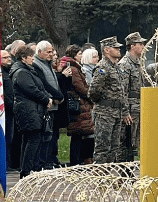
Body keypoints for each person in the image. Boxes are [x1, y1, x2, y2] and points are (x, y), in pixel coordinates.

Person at [10, 45, 53, 178]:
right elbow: (31, 89)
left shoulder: (27, 70)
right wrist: (46, 99)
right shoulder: (21, 72)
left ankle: (27, 169)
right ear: (23, 58)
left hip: (31, 109)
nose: (33, 59)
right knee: (33, 139)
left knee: (29, 139)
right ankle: (27, 170)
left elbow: (39, 86)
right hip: (28, 110)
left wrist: (47, 97)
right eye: (31, 57)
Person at [89, 37, 127, 166]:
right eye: (115, 48)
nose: (118, 49)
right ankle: (99, 179)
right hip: (105, 113)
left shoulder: (116, 67)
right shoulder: (102, 68)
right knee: (102, 148)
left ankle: (108, 177)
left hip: (116, 112)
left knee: (114, 148)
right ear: (106, 50)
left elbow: (122, 91)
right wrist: (103, 104)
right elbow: (93, 92)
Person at [33, 41, 65, 168]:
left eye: (52, 52)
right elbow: (43, 84)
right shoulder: (37, 65)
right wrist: (56, 96)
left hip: (53, 105)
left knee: (52, 135)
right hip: (46, 105)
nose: (51, 54)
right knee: (45, 135)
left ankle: (50, 160)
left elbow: (54, 83)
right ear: (40, 52)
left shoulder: (47, 64)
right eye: (48, 52)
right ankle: (43, 162)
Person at [62, 47, 94, 165]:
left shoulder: (76, 68)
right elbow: (79, 87)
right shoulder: (74, 69)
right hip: (79, 104)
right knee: (77, 135)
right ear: (74, 55)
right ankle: (75, 161)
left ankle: (79, 160)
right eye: (79, 53)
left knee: (81, 135)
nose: (81, 55)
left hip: (82, 103)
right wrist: (91, 95)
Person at [119, 32, 145, 161]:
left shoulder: (138, 62)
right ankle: (124, 173)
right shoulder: (125, 64)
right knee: (126, 142)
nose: (143, 46)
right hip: (130, 108)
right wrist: (125, 111)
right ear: (132, 46)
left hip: (138, 106)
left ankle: (130, 170)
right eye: (140, 44)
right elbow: (122, 90)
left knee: (135, 141)